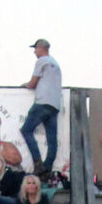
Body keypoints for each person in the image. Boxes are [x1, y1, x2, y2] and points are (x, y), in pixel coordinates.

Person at [19, 38, 64, 177]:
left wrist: (25, 85)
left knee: (26, 130)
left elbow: (33, 83)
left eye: (35, 49)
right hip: (55, 104)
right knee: (51, 138)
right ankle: (48, 167)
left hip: (42, 101)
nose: (34, 52)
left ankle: (38, 163)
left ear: (41, 48)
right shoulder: (55, 63)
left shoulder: (42, 61)